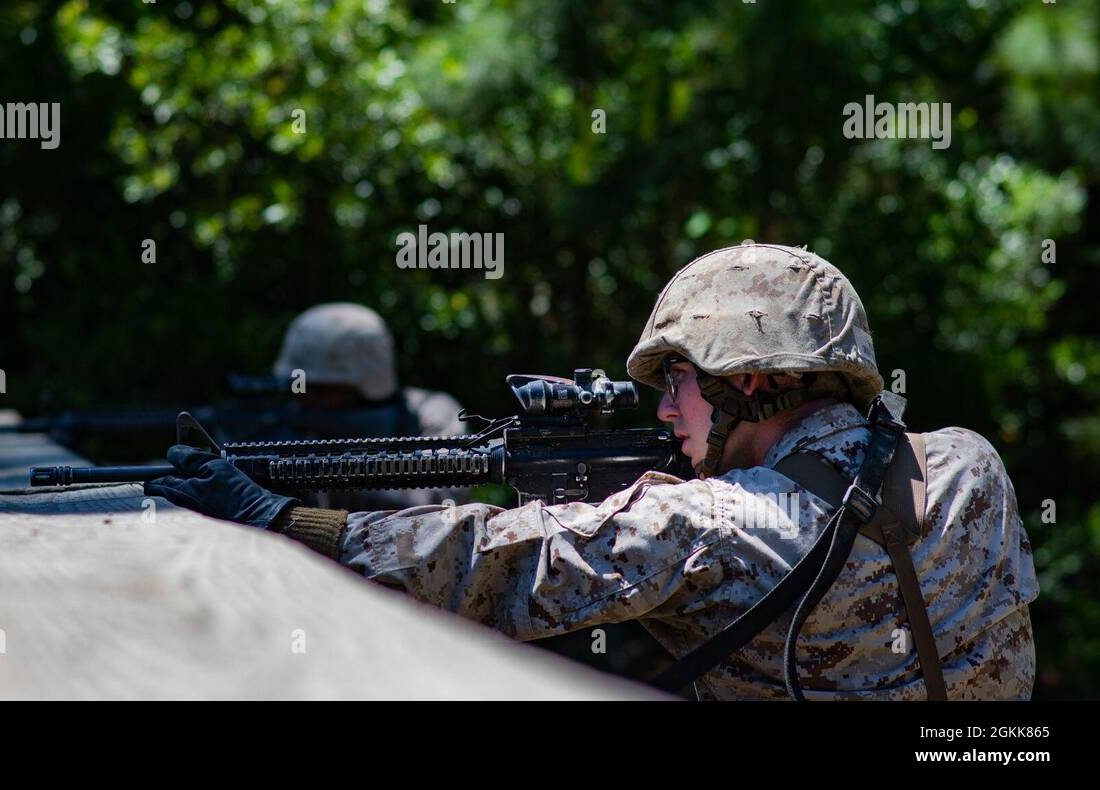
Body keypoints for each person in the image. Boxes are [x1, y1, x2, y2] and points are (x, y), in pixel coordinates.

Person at [146, 245, 1038, 699]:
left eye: (679, 380)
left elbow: (491, 564)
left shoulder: (716, 525)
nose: (662, 409)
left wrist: (284, 520)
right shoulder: (973, 466)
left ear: (749, 380)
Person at [270, 302, 469, 510]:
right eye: (301, 387)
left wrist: (325, 472)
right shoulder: (283, 424)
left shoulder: (431, 415)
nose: (307, 400)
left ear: (369, 384)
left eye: (323, 390)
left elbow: (434, 501)